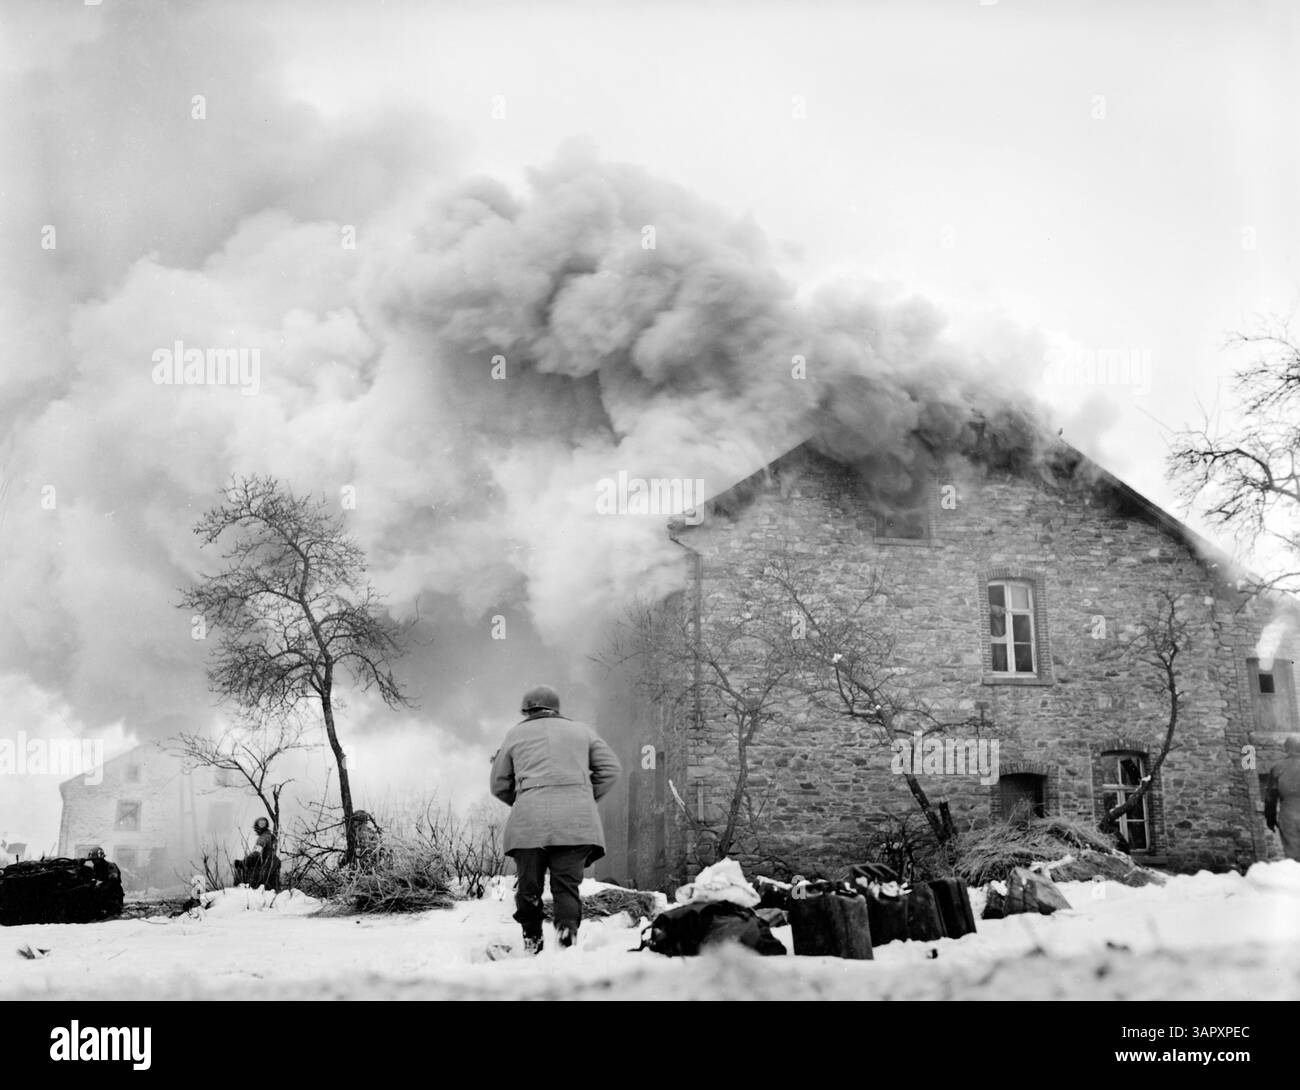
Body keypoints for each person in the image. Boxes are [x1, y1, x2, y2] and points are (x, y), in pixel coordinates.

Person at [490, 685, 621, 955]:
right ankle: (566, 940)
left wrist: (524, 801)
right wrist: (583, 797)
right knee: (566, 888)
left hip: (529, 825)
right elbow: (610, 769)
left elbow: (499, 784)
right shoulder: (582, 731)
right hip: (575, 824)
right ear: (556, 708)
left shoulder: (515, 734)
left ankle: (532, 942)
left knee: (528, 889)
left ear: (527, 710)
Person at [1265, 736, 1300, 862]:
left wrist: (1270, 818)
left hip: (1289, 815)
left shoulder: (1278, 768)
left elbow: (1271, 797)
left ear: (1287, 749)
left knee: (1293, 856)